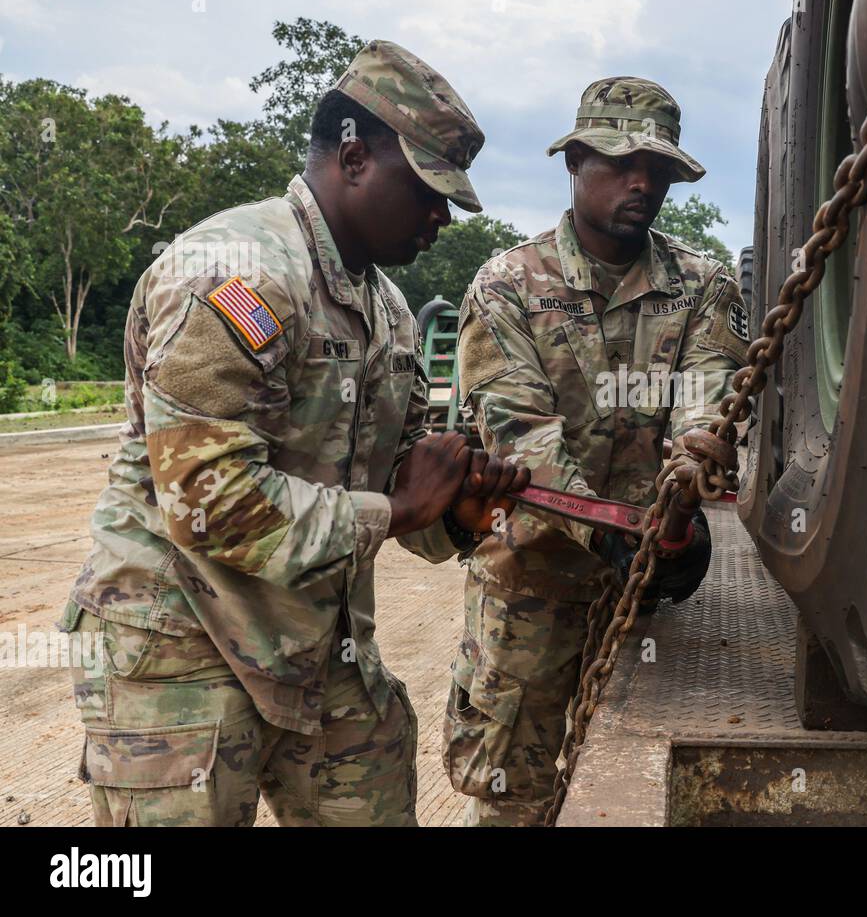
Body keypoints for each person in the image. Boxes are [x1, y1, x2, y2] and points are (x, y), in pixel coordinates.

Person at [60, 40, 528, 827]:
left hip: (316, 647)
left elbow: (400, 482)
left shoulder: (387, 313)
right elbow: (214, 504)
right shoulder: (236, 274)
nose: (442, 217)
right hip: (182, 645)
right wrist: (401, 510)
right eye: (427, 190)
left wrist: (456, 507)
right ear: (353, 156)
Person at [445, 76, 748, 825]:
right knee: (513, 794)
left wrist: (691, 473)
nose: (643, 182)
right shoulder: (507, 286)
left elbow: (704, 395)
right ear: (575, 161)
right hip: (529, 594)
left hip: (639, 595)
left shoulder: (703, 284)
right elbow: (523, 437)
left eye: (659, 169)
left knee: (626, 791)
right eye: (619, 162)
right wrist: (620, 530)